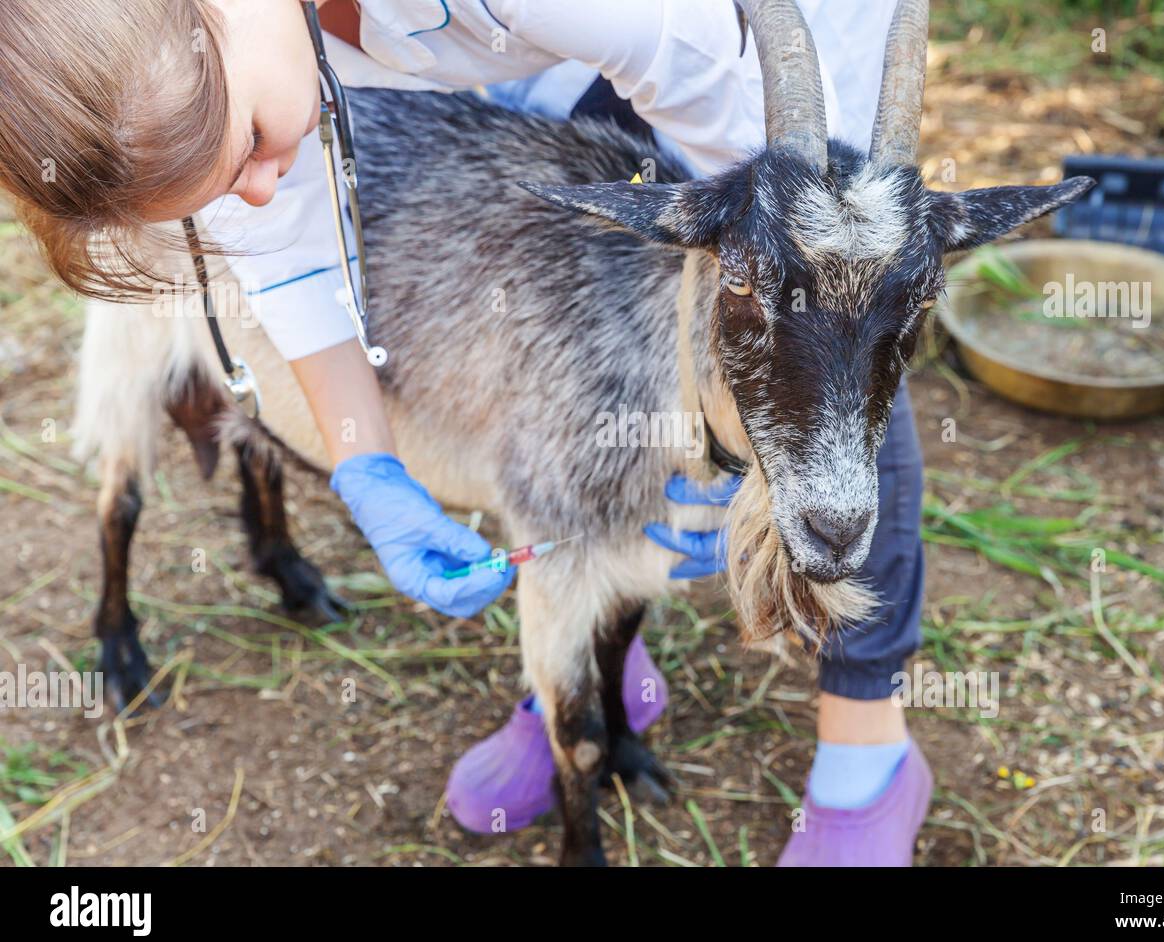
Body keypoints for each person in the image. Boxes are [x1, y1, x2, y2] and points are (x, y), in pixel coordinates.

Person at [0, 0, 930, 866]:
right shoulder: (229, 65)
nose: (256, 184)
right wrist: (368, 465)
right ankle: (584, 681)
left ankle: (867, 756)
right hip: (559, 40)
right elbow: (288, 241)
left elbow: (807, 256)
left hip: (782, 59)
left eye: (244, 143)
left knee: (836, 321)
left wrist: (753, 445)